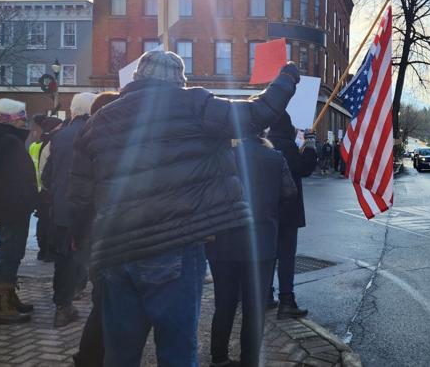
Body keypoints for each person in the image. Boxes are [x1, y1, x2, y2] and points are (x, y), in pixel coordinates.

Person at [67, 52, 300, 367]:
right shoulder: (193, 105)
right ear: (179, 81)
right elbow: (256, 115)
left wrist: (81, 243)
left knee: (120, 353)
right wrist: (286, 79)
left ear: (137, 79)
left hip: (114, 252)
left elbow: (80, 194)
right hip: (174, 247)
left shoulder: (99, 120)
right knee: (176, 351)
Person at [206, 131, 298, 367]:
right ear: (263, 133)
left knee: (224, 304)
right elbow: (289, 193)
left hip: (223, 242)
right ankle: (250, 360)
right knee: (254, 308)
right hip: (261, 243)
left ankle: (219, 358)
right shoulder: (275, 158)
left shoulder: (221, 157)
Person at [73, 91, 120, 367]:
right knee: (104, 304)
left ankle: (92, 356)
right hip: (104, 236)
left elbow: (78, 197)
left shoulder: (90, 139)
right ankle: (90, 358)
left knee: (103, 301)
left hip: (95, 235)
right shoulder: (103, 144)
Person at [42, 92, 96, 328]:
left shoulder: (59, 136)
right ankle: (86, 296)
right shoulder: (97, 133)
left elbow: (46, 175)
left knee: (64, 258)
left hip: (63, 208)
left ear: (73, 111)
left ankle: (62, 306)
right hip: (90, 209)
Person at [268, 112, 318, 320]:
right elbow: (304, 168)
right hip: (288, 211)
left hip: (267, 212)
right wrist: (311, 146)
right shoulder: (287, 147)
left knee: (269, 256)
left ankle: (265, 295)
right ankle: (287, 300)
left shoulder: (266, 145)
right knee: (287, 257)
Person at [0, 99, 38, 324]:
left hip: (7, 208)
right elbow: (15, 179)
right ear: (8, 118)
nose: (24, 121)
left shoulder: (3, 139)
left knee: (9, 255)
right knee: (9, 257)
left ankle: (9, 298)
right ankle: (0, 307)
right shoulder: (8, 141)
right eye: (21, 117)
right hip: (12, 209)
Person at [30, 115, 62, 262]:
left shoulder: (35, 146)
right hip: (48, 189)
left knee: (42, 221)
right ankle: (49, 251)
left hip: (38, 190)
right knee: (49, 222)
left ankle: (42, 251)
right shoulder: (53, 144)